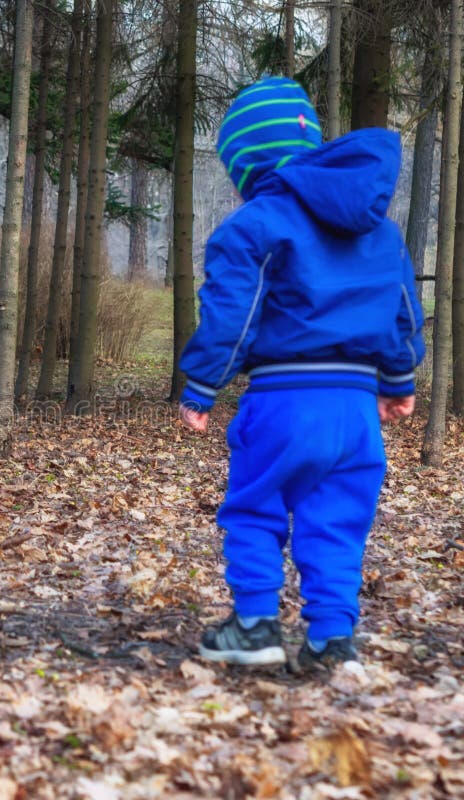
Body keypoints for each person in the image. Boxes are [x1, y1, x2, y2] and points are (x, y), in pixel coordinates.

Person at [178, 76, 425, 669]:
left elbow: (230, 313)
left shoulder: (253, 225)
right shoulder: (380, 230)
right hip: (357, 410)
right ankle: (332, 640)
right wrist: (398, 382)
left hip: (286, 399)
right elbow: (403, 311)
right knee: (338, 519)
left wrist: (202, 383)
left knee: (255, 506)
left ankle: (257, 625)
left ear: (245, 162)